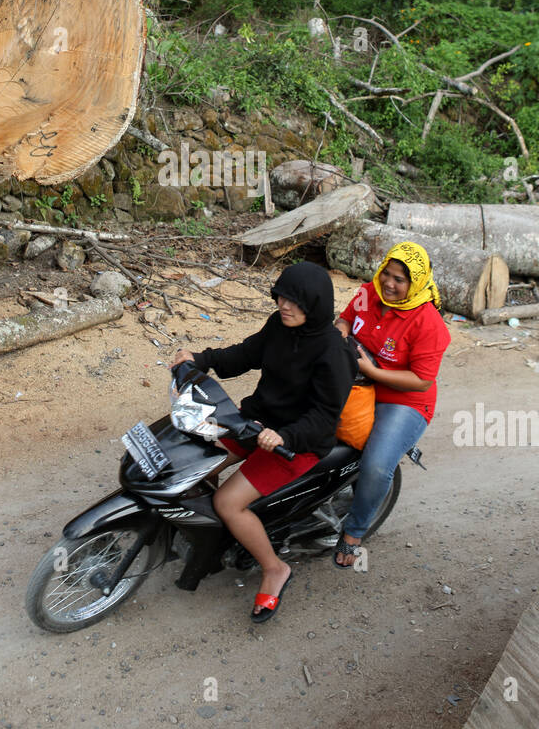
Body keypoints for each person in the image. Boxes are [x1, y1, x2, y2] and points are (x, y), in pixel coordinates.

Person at [171, 261, 352, 622]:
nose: (285, 306)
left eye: (295, 302)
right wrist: (200, 360)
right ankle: (213, 541)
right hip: (255, 421)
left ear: (315, 305)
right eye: (282, 297)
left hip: (296, 443)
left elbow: (323, 416)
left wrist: (285, 435)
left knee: (228, 501)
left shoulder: (334, 353)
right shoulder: (279, 325)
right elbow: (246, 353)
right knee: (190, 461)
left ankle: (273, 568)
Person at [332, 241, 451, 568]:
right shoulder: (369, 292)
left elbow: (422, 380)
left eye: (400, 279)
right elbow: (344, 319)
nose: (389, 283)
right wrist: (340, 334)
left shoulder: (428, 323)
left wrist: (372, 370)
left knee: (377, 464)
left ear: (416, 282)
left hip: (403, 400)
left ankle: (355, 532)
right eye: (388, 273)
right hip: (356, 384)